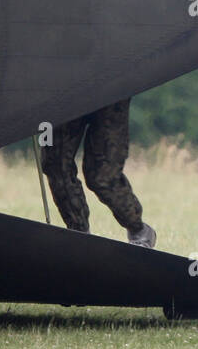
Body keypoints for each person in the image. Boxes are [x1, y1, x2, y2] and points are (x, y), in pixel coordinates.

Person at [40, 99, 156, 248]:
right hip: (63, 90)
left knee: (102, 176)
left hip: (109, 89)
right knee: (55, 164)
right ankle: (80, 237)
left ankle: (138, 230)